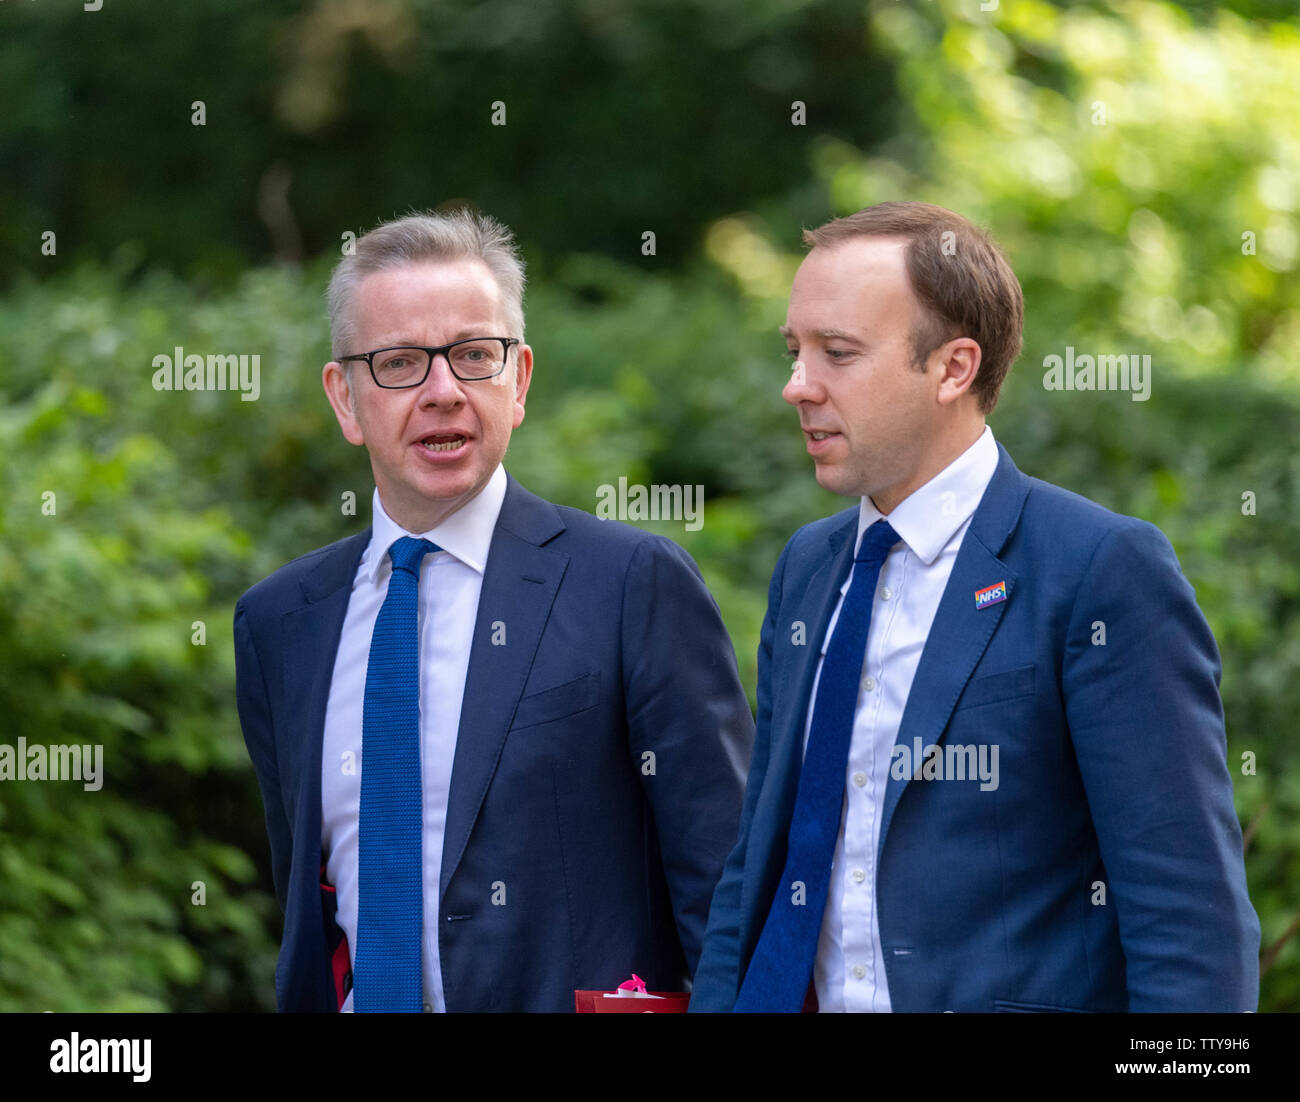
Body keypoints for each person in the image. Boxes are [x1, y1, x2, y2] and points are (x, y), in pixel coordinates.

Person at [689, 201, 1259, 1013]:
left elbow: (1188, 917)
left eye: (837, 354)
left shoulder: (1099, 570)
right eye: (794, 351)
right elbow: (758, 866)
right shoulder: (808, 569)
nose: (796, 386)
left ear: (953, 368)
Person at [234, 208, 753, 1012]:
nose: (443, 392)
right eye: (401, 363)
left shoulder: (631, 584)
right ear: (345, 398)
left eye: (474, 356)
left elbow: (727, 901)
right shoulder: (280, 623)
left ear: (519, 381)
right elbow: (311, 907)